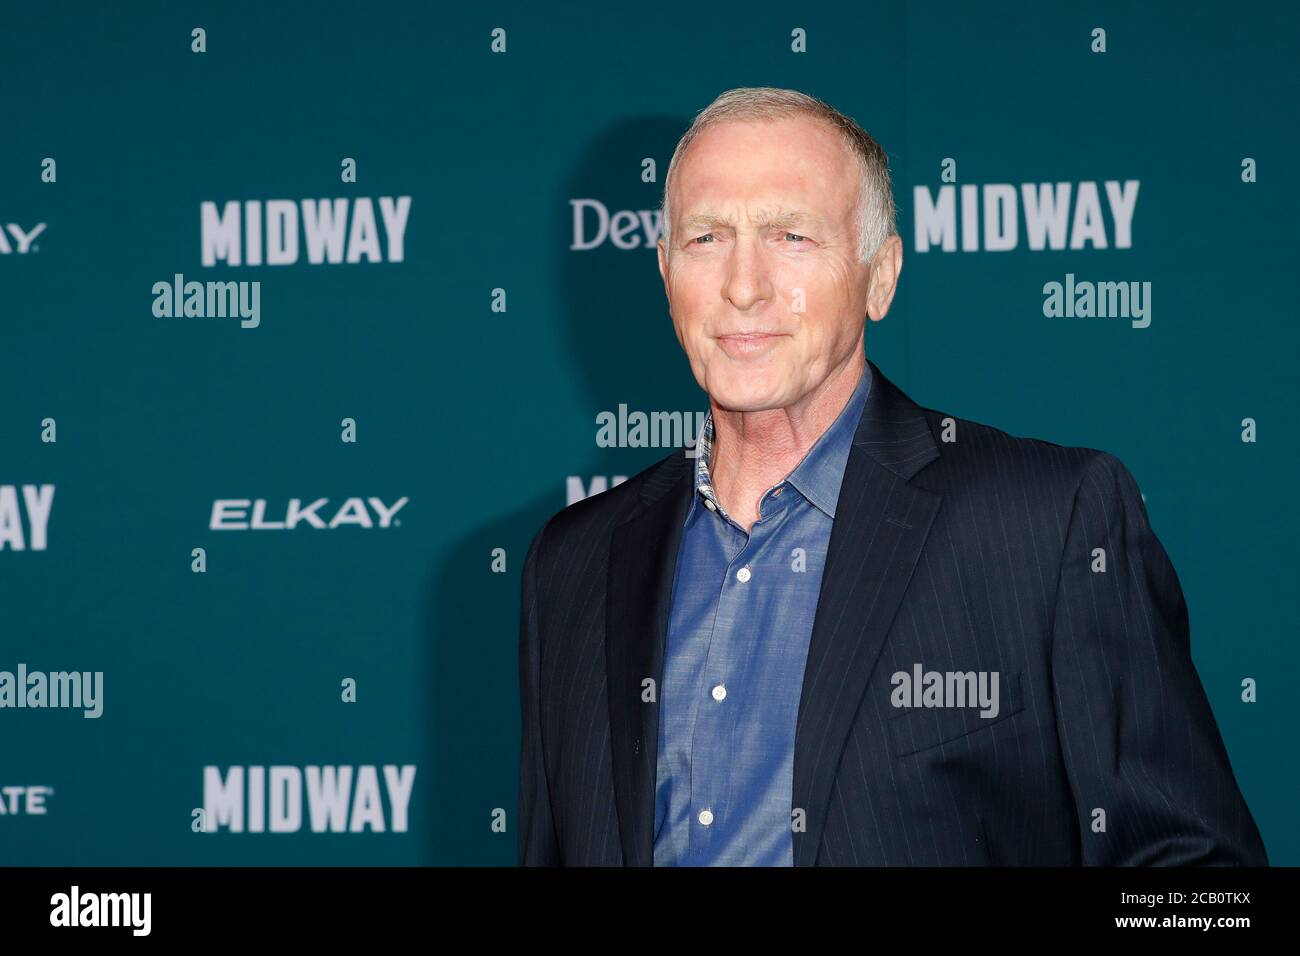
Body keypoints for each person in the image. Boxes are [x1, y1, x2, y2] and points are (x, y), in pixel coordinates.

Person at [517, 87, 1267, 866]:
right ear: (666, 271)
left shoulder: (1049, 524)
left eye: (791, 236)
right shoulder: (571, 564)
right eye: (707, 237)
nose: (745, 285)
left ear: (881, 275)